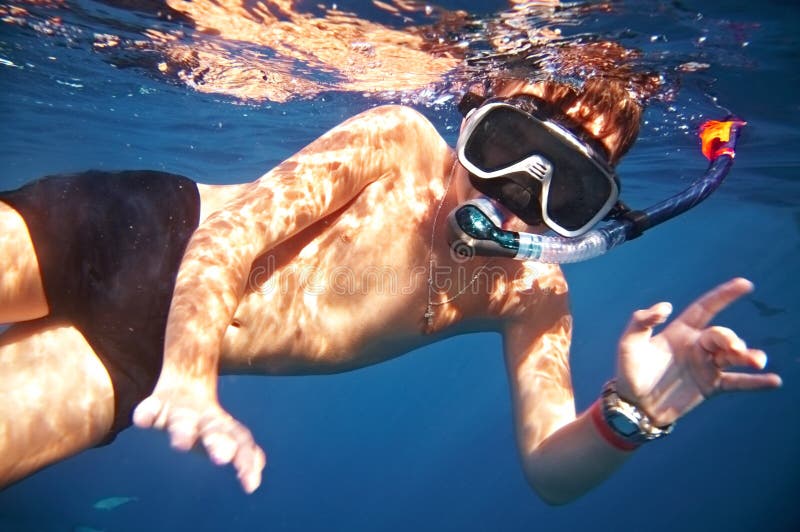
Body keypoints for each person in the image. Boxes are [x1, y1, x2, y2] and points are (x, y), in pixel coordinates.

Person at [0, 65, 781, 502]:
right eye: (506, 146)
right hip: (123, 231)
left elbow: (551, 470)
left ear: (583, 218)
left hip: (137, 359)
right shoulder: (397, 140)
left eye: (563, 190)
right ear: (476, 116)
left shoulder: (531, 293)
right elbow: (229, 237)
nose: (512, 193)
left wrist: (633, 414)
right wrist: (192, 378)